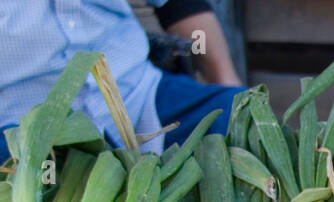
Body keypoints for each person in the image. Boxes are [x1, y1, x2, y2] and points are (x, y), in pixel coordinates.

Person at [0, 1, 245, 159]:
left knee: (237, 114)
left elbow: (178, 5)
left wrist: (226, 80)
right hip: (25, 122)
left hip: (139, 95)